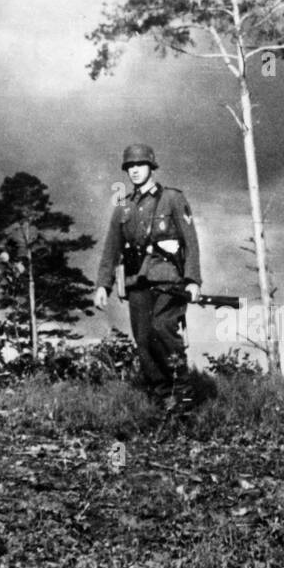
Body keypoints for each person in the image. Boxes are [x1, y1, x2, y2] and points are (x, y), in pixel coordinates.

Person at [94, 144, 202, 410]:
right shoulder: (123, 206)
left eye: (139, 165)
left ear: (151, 167)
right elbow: (111, 247)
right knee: (143, 340)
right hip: (136, 282)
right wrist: (102, 285)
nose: (134, 170)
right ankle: (163, 398)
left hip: (169, 280)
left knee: (162, 330)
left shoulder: (172, 199)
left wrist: (192, 280)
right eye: (130, 167)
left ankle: (185, 398)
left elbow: (191, 242)